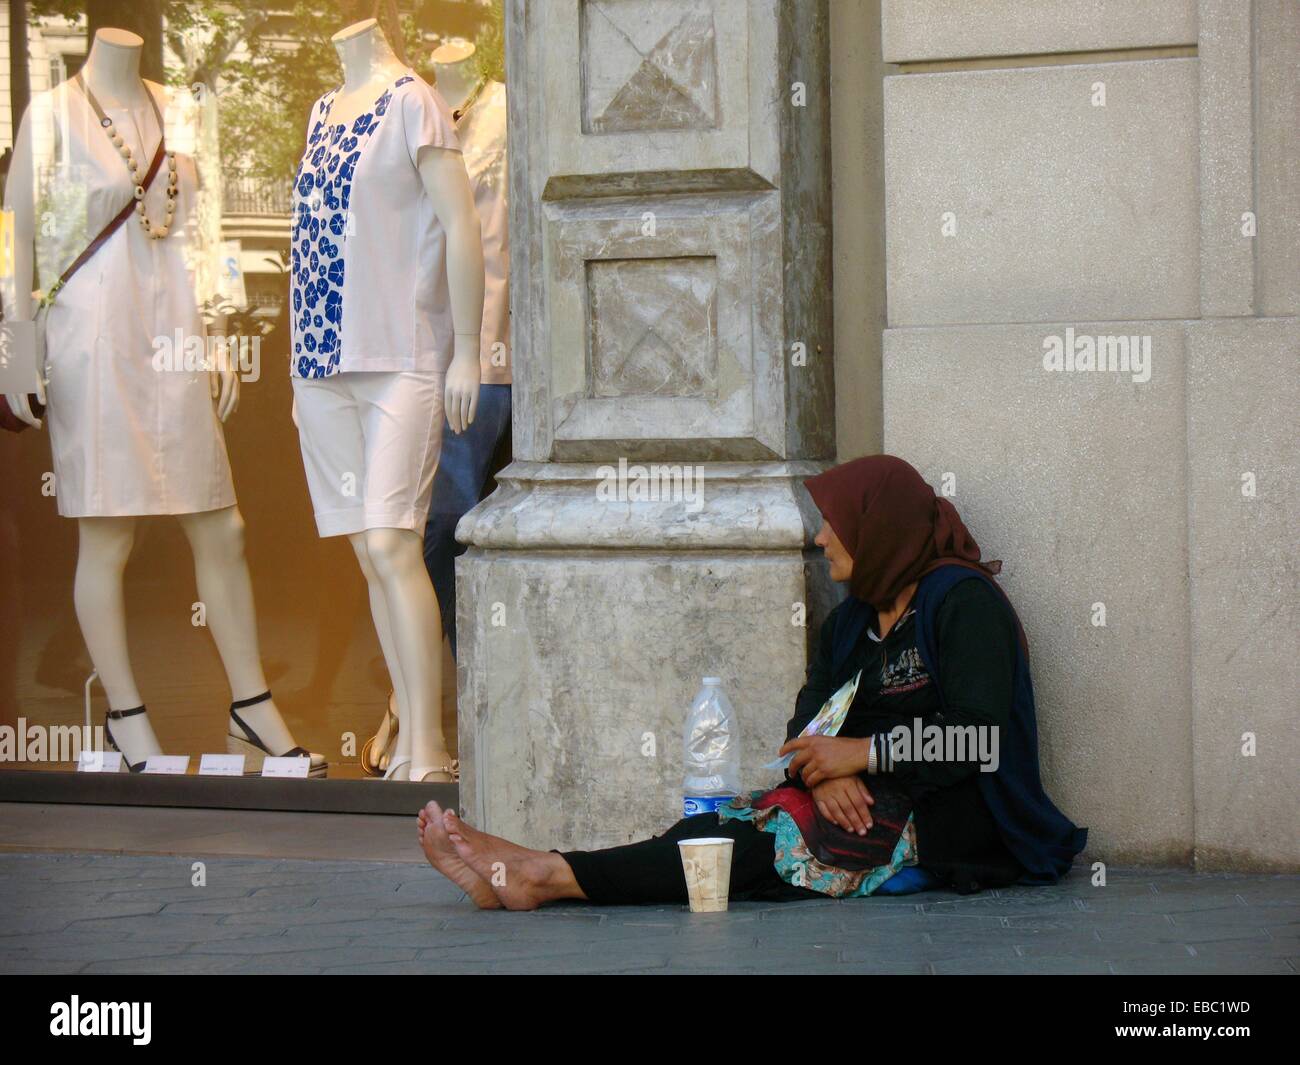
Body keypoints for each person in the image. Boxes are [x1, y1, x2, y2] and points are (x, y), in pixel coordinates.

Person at [416, 455, 1087, 909]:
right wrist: (826, 772)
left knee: (765, 846)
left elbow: (979, 739)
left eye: (836, 522)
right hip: (860, 798)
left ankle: (547, 875)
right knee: (722, 824)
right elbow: (807, 723)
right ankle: (544, 875)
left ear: (877, 527)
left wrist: (863, 755)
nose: (822, 537)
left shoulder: (962, 603)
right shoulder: (853, 620)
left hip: (964, 821)